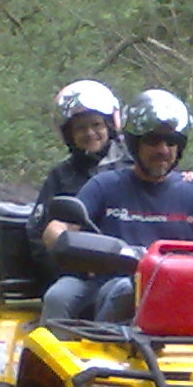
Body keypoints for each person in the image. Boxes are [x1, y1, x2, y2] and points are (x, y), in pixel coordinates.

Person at [63, 89, 193, 324]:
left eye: (171, 142)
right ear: (135, 144)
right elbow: (61, 228)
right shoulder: (104, 185)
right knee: (115, 291)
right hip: (114, 285)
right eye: (153, 141)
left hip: (187, 292)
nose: (163, 150)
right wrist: (71, 243)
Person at [32, 81, 124, 323]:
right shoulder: (61, 175)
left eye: (96, 125)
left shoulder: (136, 168)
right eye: (81, 128)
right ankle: (47, 356)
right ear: (69, 135)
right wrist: (73, 265)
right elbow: (39, 233)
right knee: (57, 297)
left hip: (132, 269)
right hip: (80, 274)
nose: (90, 133)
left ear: (109, 126)